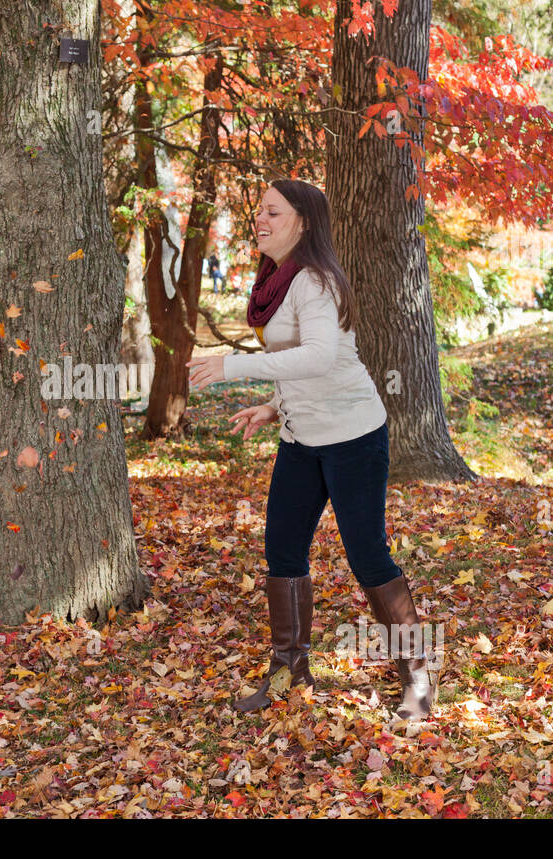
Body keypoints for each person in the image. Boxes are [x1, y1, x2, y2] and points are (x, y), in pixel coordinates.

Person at [185, 180, 437, 720]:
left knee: (368, 557)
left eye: (272, 211)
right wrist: (274, 406)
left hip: (353, 437)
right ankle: (289, 674)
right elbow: (299, 359)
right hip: (302, 438)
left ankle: (417, 681)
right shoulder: (280, 279)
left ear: (303, 221)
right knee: (282, 552)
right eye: (258, 211)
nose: (260, 219)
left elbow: (323, 356)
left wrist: (233, 367)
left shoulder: (316, 281)